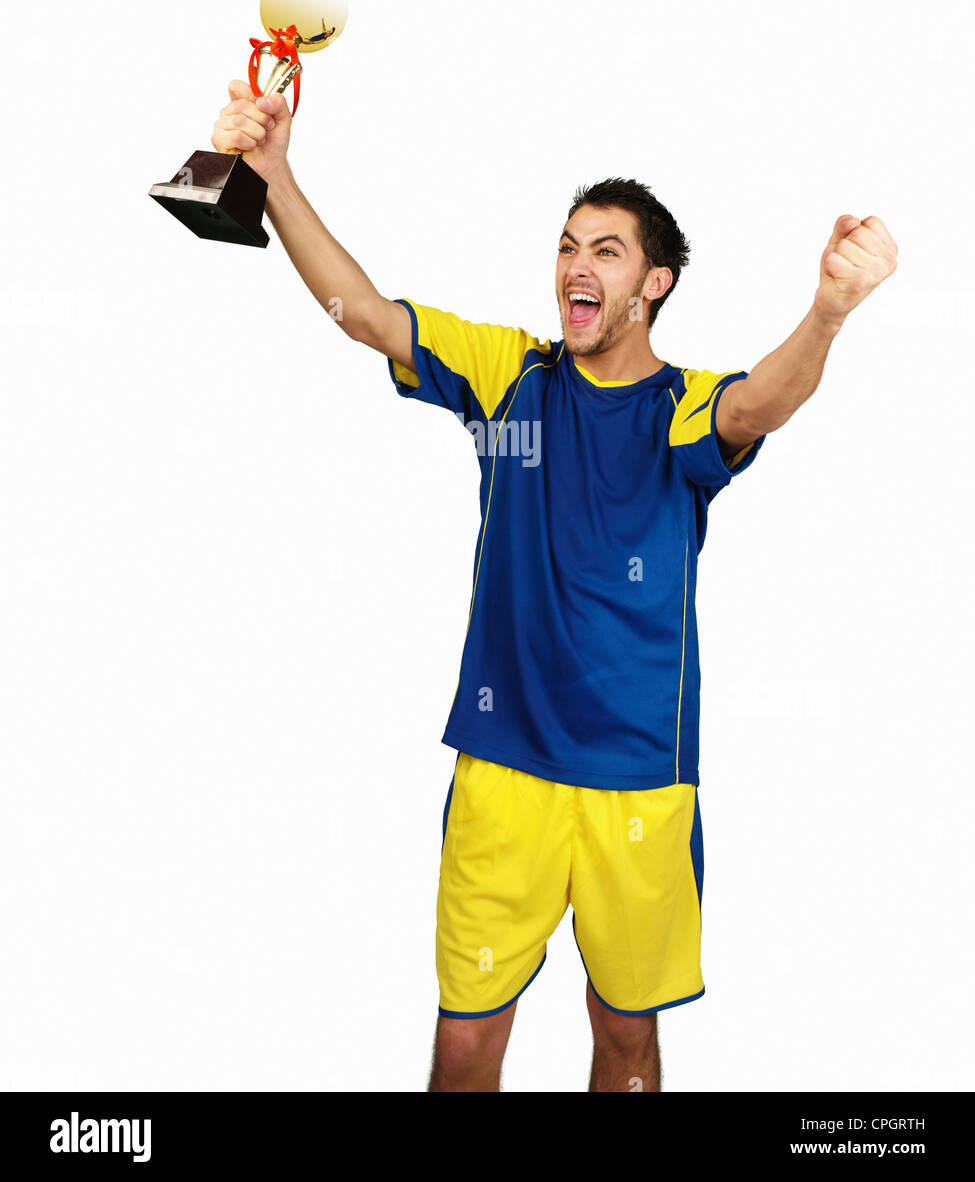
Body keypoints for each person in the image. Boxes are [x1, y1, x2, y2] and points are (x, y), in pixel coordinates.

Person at [211, 81, 898, 1092]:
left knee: (624, 1040)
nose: (576, 265)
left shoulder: (683, 407)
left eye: (605, 251)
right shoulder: (511, 378)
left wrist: (828, 314)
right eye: (567, 245)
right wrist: (271, 178)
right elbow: (362, 313)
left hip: (638, 781)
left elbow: (763, 400)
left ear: (652, 284)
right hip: (505, 771)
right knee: (465, 1041)